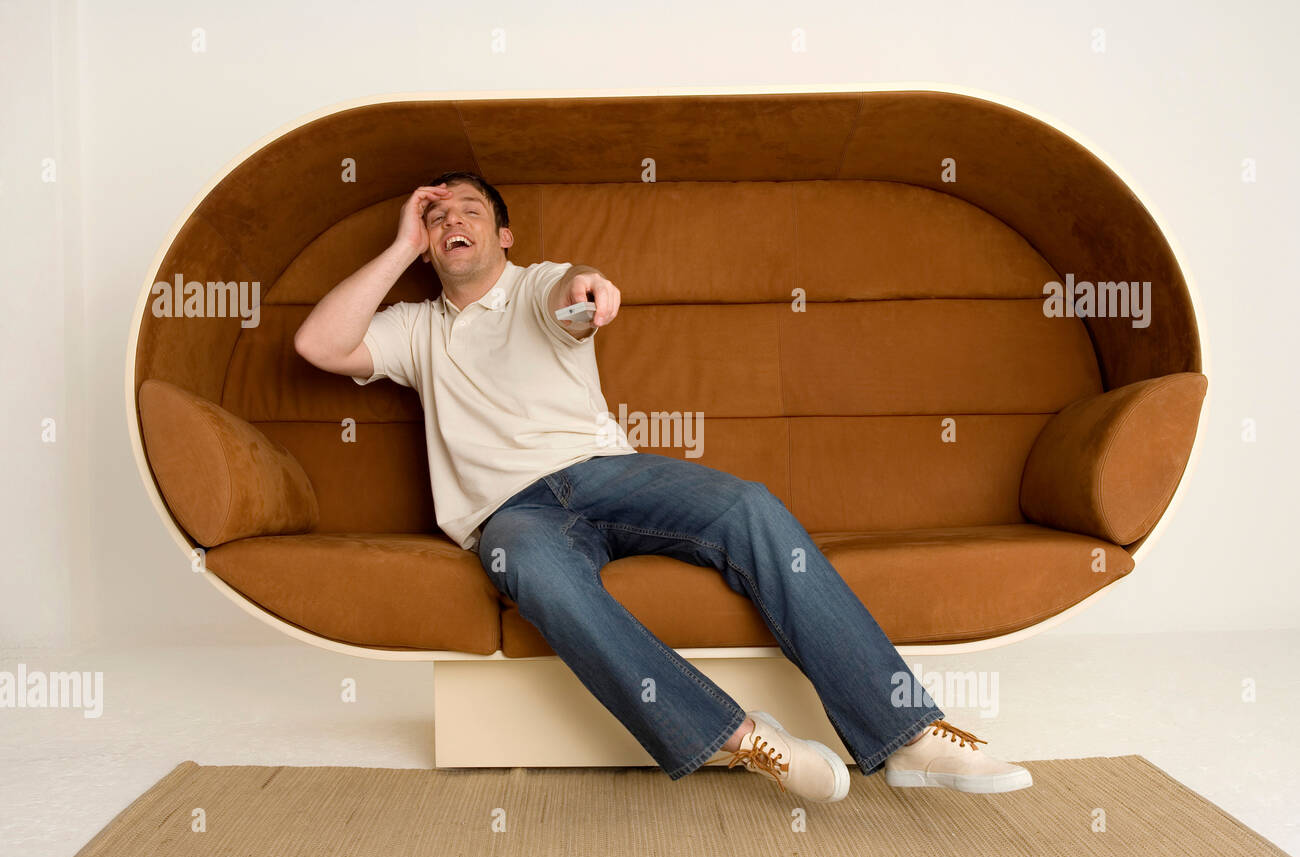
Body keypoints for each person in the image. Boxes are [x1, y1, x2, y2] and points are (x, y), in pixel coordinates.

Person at [294, 170, 1034, 803]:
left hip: (606, 475)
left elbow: (574, 296)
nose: (452, 222)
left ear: (504, 236)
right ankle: (739, 737)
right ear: (426, 242)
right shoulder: (414, 328)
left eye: (470, 213)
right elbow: (317, 344)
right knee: (534, 572)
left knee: (746, 504)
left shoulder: (536, 287)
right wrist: (399, 243)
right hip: (509, 515)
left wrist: (590, 295)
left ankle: (907, 735)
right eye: (437, 217)